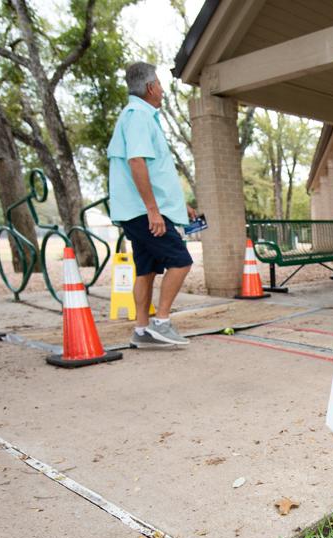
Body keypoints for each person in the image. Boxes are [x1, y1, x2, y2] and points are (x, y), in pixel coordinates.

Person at [107, 62, 195, 348]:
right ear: (150, 88)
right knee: (181, 261)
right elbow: (137, 161)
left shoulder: (138, 116)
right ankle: (162, 322)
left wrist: (181, 207)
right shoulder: (138, 116)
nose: (161, 89)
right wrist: (153, 211)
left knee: (145, 270)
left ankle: (142, 330)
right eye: (158, 83)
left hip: (140, 210)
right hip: (144, 211)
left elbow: (156, 172)